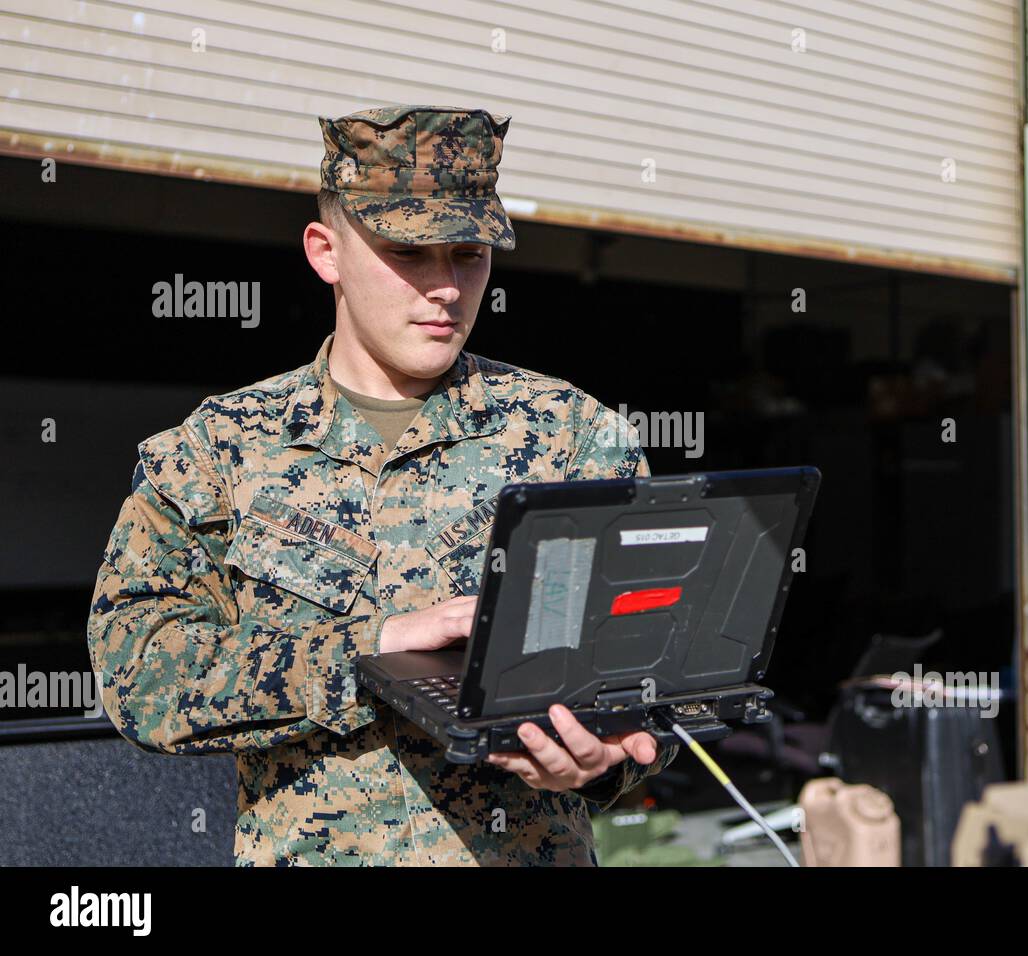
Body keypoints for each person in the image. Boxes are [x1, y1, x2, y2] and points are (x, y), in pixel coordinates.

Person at [88, 105, 676, 866]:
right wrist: (370, 651)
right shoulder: (216, 452)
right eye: (409, 251)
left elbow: (666, 670)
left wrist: (613, 759)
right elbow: (140, 674)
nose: (445, 288)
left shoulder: (575, 436)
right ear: (325, 252)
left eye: (468, 254)